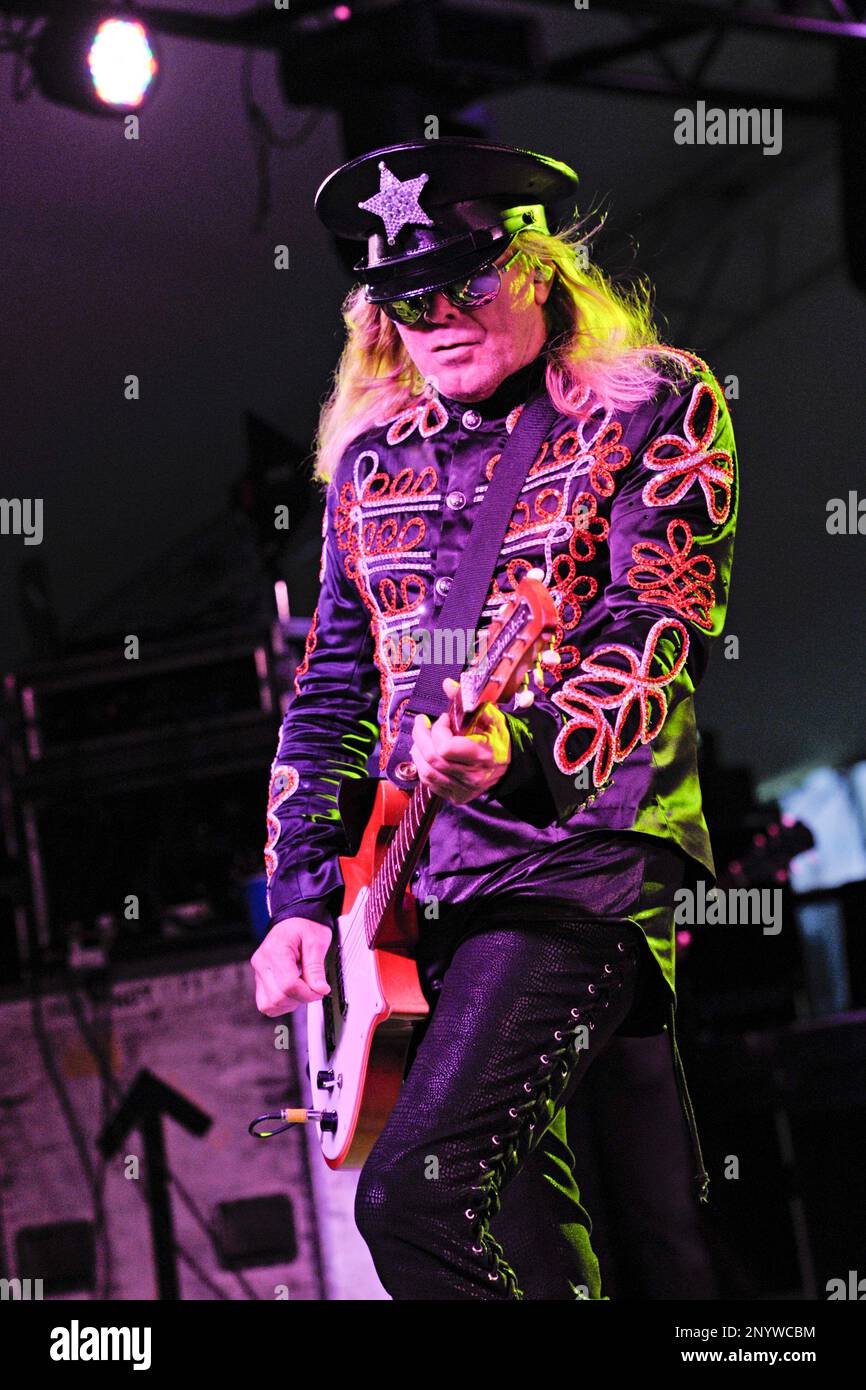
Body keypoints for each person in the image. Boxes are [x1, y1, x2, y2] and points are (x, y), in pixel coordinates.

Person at [251, 137, 738, 1299]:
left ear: (539, 266)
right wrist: (298, 896)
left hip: (583, 869)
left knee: (410, 1193)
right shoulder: (371, 460)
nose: (439, 317)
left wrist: (521, 751)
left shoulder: (651, 404)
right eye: (406, 302)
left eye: (467, 282)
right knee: (536, 1245)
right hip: (427, 898)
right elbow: (331, 688)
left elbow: (657, 622)